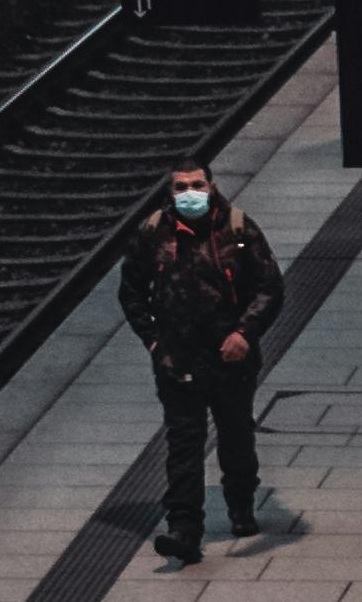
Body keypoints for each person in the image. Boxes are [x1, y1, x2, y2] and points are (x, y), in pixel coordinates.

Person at [118, 167, 286, 566]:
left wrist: (245, 334)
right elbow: (131, 291)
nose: (189, 193)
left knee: (236, 435)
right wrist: (154, 341)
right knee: (184, 443)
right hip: (177, 359)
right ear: (170, 191)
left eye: (196, 185)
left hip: (231, 359)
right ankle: (184, 529)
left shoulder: (238, 229)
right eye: (181, 187)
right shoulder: (153, 232)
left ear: (210, 186)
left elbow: (270, 287)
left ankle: (240, 505)